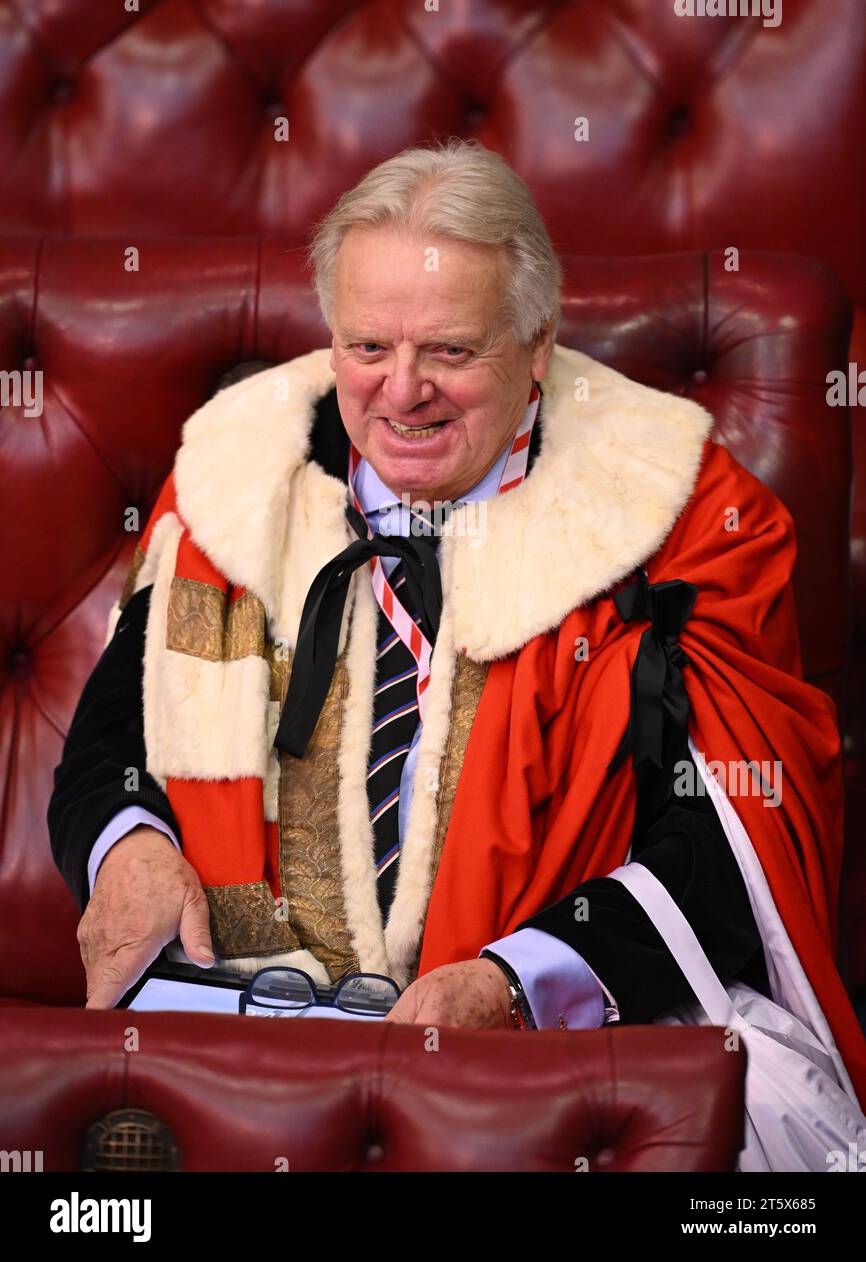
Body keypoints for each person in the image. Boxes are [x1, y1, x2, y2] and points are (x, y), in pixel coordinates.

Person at [49, 139, 866, 1117]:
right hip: (257, 1017)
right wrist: (126, 850)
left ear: (535, 346)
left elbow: (728, 840)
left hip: (576, 1034)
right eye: (367, 347)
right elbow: (115, 743)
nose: (401, 391)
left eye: (449, 349)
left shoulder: (680, 520)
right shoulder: (237, 480)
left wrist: (520, 982)